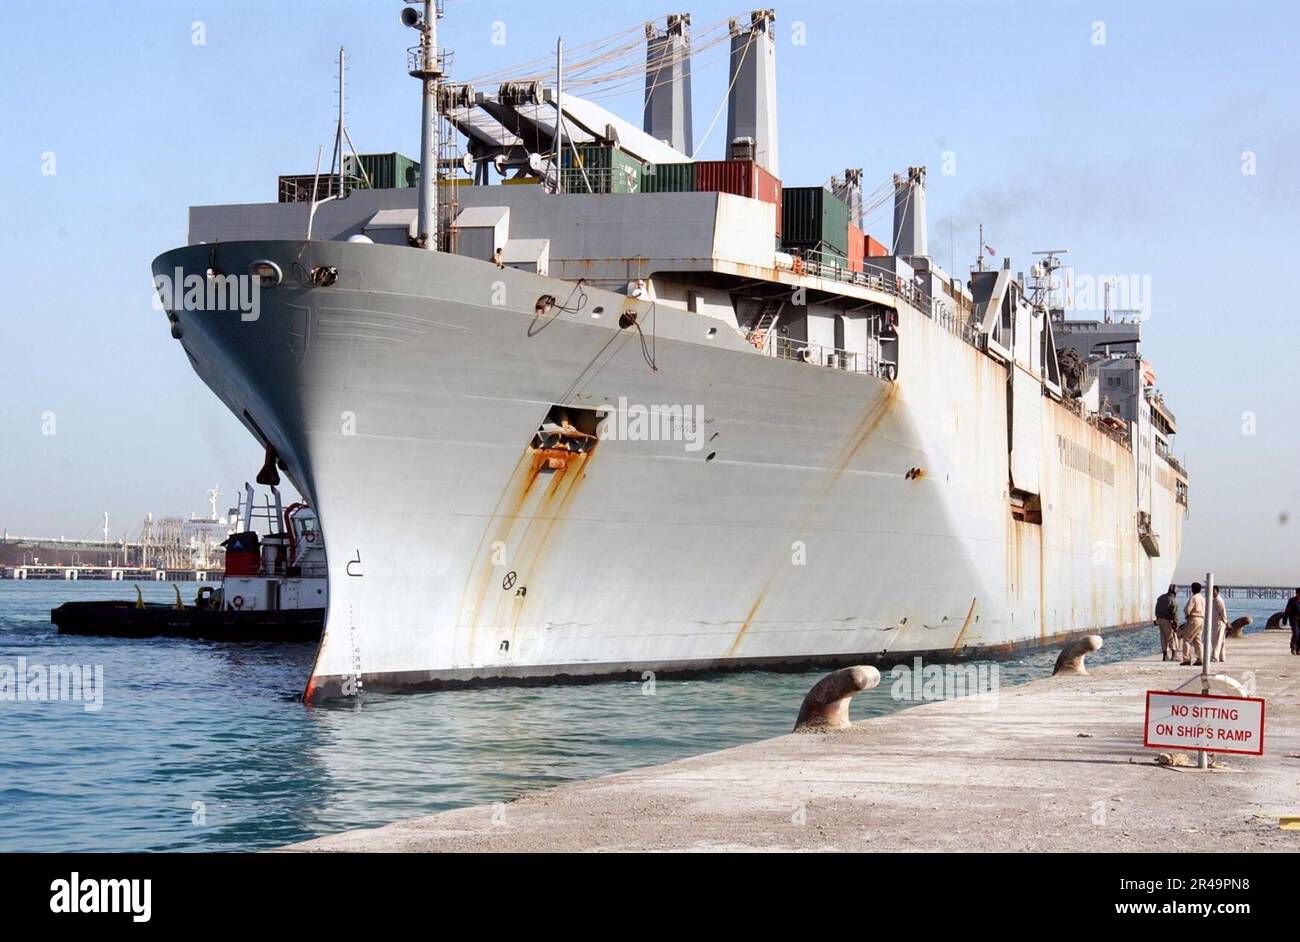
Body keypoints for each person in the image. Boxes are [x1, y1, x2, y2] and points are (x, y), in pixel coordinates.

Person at [1181, 581, 1206, 666]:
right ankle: (1200, 659)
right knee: (1197, 640)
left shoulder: (1193, 598)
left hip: (1193, 619)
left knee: (1186, 640)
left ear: (1193, 589)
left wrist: (1187, 617)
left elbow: (1187, 609)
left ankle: (1187, 659)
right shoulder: (1203, 598)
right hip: (1201, 620)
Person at [1154, 584, 1179, 661]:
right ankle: (1174, 655)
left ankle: (1165, 656)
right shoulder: (1173, 600)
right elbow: (1175, 614)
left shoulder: (1161, 597)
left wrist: (1158, 619)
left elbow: (1156, 609)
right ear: (1175, 591)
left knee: (1163, 637)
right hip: (1167, 620)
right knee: (1171, 637)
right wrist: (1176, 625)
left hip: (1160, 619)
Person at [1211, 586, 1228, 662]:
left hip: (1219, 622)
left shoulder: (1219, 600)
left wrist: (1225, 622)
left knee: (1217, 640)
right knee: (1222, 640)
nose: (1212, 592)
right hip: (1216, 622)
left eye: (1214, 591)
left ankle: (1215, 657)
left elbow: (1222, 612)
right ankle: (1222, 657)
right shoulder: (1214, 600)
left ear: (1217, 591)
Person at [1286, 588, 1300, 656]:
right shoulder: (1292, 601)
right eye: (1299, 593)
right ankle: (1293, 648)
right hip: (1294, 620)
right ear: (1296, 593)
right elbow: (1287, 610)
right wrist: (1285, 619)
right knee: (1296, 633)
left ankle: (1298, 649)